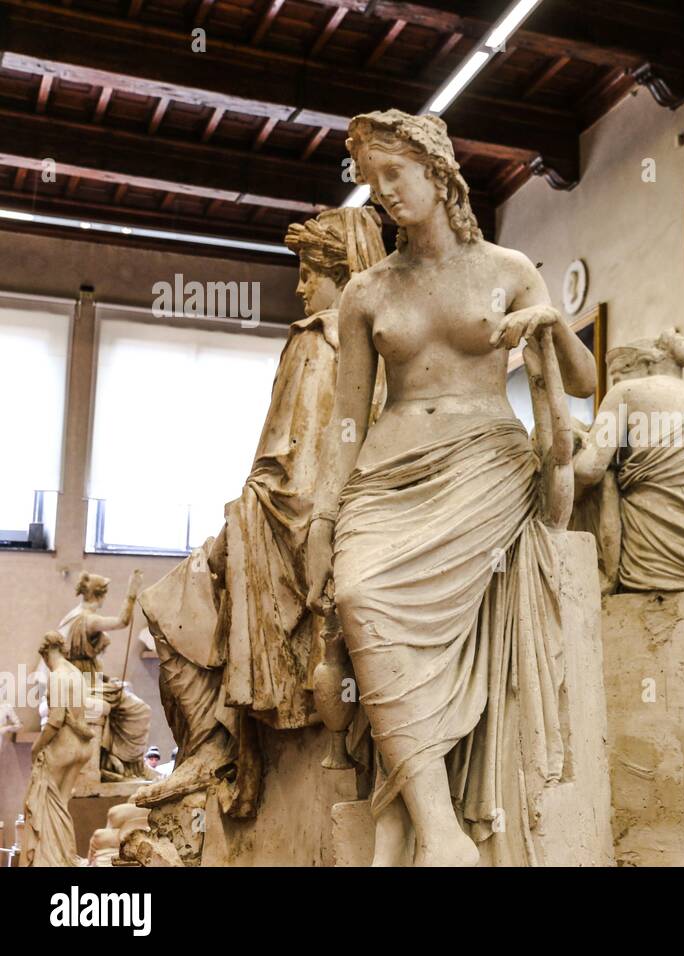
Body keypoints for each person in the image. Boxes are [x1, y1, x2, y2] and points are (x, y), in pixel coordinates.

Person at [304, 109, 595, 867]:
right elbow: (345, 421)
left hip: (486, 467)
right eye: (373, 182)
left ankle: (439, 837)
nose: (384, 194)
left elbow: (589, 379)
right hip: (388, 473)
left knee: (383, 602)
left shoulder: (509, 270)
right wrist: (326, 511)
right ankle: (438, 825)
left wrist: (548, 322)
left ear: (436, 171)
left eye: (394, 175)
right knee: (362, 595)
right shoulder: (367, 292)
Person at [136, 206, 387, 814]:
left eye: (307, 273)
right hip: (344, 516)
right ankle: (217, 745)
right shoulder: (382, 346)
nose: (300, 287)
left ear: (339, 272)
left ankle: (212, 745)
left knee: (166, 603)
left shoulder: (313, 339)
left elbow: (282, 460)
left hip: (288, 521)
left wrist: (242, 521)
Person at [58, 571, 151, 781]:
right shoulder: (87, 620)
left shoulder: (72, 616)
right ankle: (129, 765)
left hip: (87, 680)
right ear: (101, 594)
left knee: (127, 699)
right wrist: (132, 592)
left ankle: (124, 763)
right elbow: (122, 621)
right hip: (81, 684)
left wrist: (108, 680)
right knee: (140, 710)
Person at [19, 633, 99, 867]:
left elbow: (55, 719)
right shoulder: (77, 674)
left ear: (45, 654)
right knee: (60, 805)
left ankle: (48, 860)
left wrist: (36, 747)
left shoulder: (57, 675)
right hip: (82, 746)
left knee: (43, 804)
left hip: (63, 746)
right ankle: (62, 858)